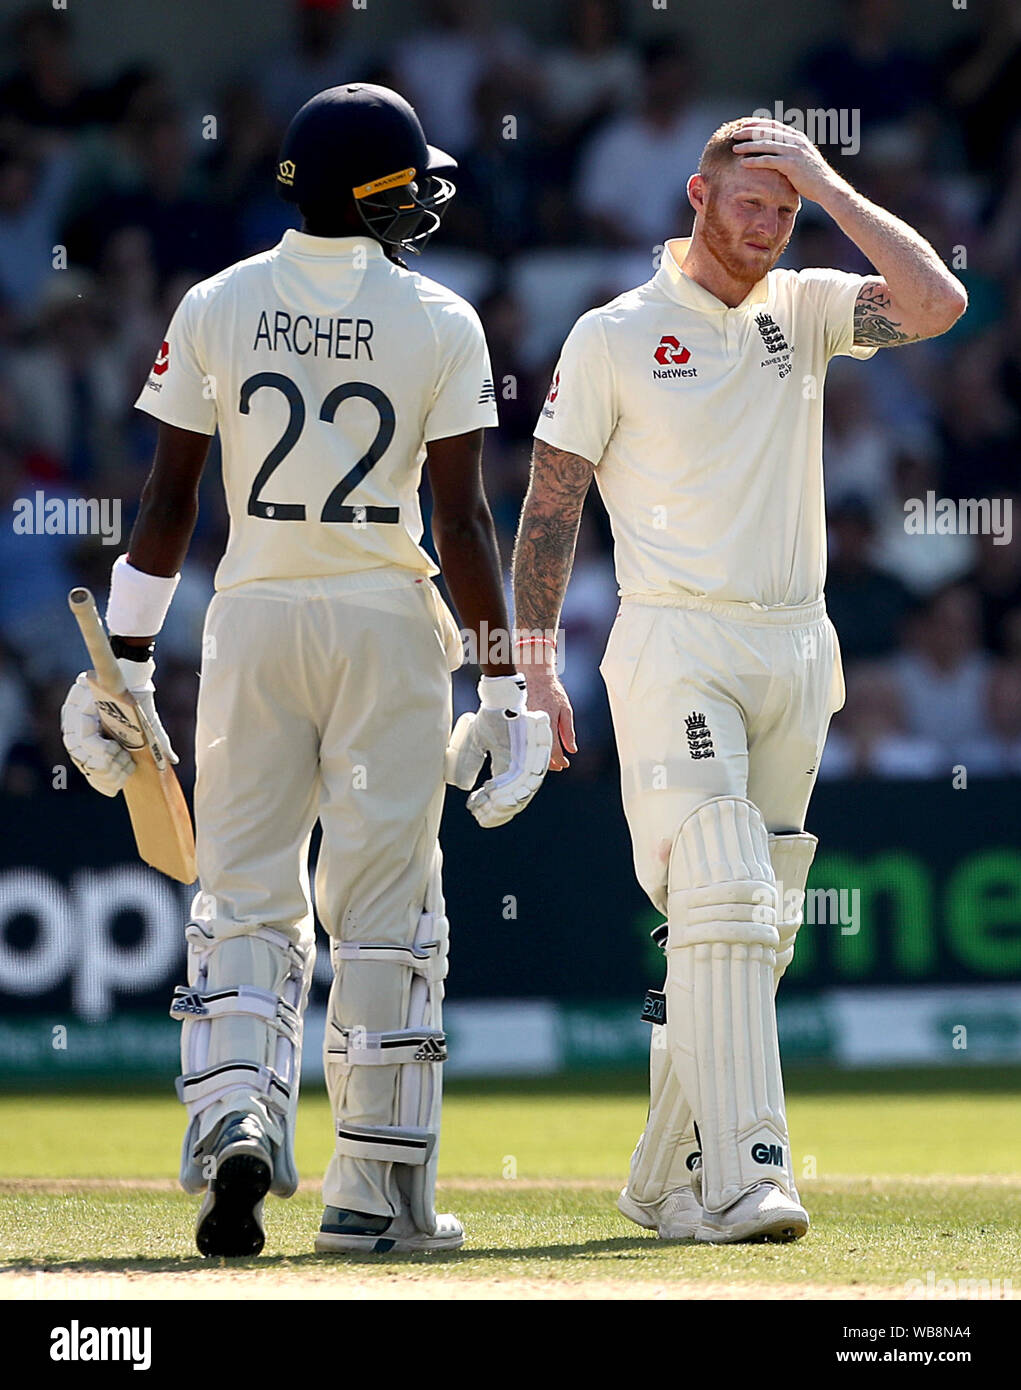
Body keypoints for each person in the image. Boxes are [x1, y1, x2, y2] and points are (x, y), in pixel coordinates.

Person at [60, 84, 551, 1258]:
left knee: (242, 892)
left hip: (254, 622)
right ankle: (373, 1202)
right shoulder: (442, 315)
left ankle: (237, 1112)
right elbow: (464, 525)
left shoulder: (217, 303)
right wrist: (502, 686)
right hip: (385, 622)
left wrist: (121, 667)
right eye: (410, 183)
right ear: (376, 194)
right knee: (385, 910)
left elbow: (170, 502)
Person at [512, 115, 965, 1243]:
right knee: (716, 881)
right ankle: (747, 1175)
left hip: (797, 644)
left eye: (784, 208)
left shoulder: (805, 308)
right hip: (675, 640)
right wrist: (531, 668)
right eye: (748, 201)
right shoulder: (614, 333)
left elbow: (938, 304)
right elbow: (551, 504)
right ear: (695, 196)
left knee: (759, 922)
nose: (766, 225)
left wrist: (829, 184)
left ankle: (662, 1176)